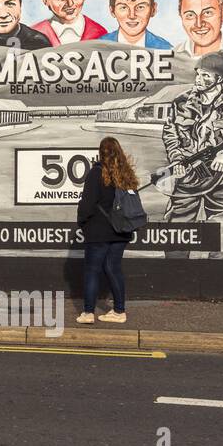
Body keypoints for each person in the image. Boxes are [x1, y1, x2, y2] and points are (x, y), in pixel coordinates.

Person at [162, 51, 223, 259]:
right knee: (176, 237)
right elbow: (170, 134)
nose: (199, 79)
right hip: (187, 179)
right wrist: (177, 157)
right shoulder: (181, 103)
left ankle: (221, 281)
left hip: (221, 183)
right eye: (198, 74)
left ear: (220, 79)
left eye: (206, 76)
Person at [76, 137, 137, 324]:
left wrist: (82, 223)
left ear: (101, 153)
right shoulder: (127, 175)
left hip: (98, 231)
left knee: (92, 270)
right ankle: (119, 311)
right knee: (114, 269)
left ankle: (87, 313)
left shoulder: (96, 173)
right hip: (121, 231)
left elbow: (87, 205)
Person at [99, 0, 172, 49]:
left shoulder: (166, 48)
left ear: (153, 9)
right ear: (112, 11)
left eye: (140, 7)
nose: (132, 16)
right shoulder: (98, 46)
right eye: (123, 7)